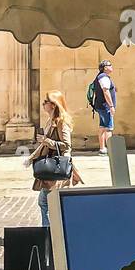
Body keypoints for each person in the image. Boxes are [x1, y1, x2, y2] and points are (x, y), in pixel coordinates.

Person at [30, 90, 83, 228]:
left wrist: (47, 141)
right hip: (52, 168)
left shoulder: (61, 122)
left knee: (46, 202)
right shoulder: (51, 121)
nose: (43, 104)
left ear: (53, 104)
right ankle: (52, 231)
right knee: (48, 201)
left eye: (45, 102)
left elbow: (66, 145)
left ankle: (50, 232)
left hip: (56, 168)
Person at [89, 60, 117, 154]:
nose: (112, 66)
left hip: (100, 106)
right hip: (105, 107)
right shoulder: (104, 77)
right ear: (105, 68)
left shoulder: (99, 77)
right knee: (109, 128)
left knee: (102, 127)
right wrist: (111, 106)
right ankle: (111, 150)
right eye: (110, 65)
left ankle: (102, 148)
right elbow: (106, 91)